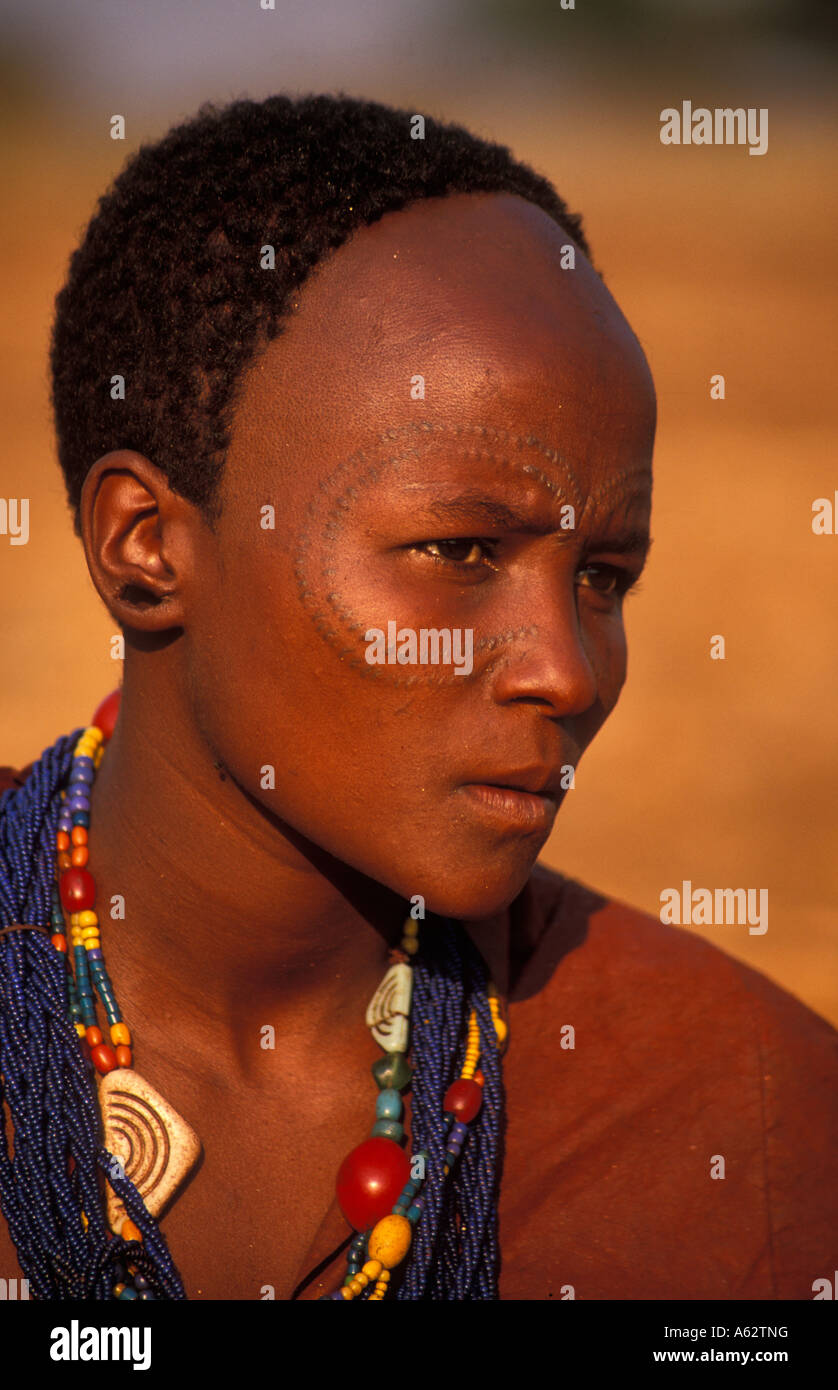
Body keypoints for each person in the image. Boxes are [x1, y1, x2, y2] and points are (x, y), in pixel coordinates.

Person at [0, 92, 835, 1302]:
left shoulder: (743, 1123)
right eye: (458, 552)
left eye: (604, 577)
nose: (569, 669)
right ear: (146, 546)